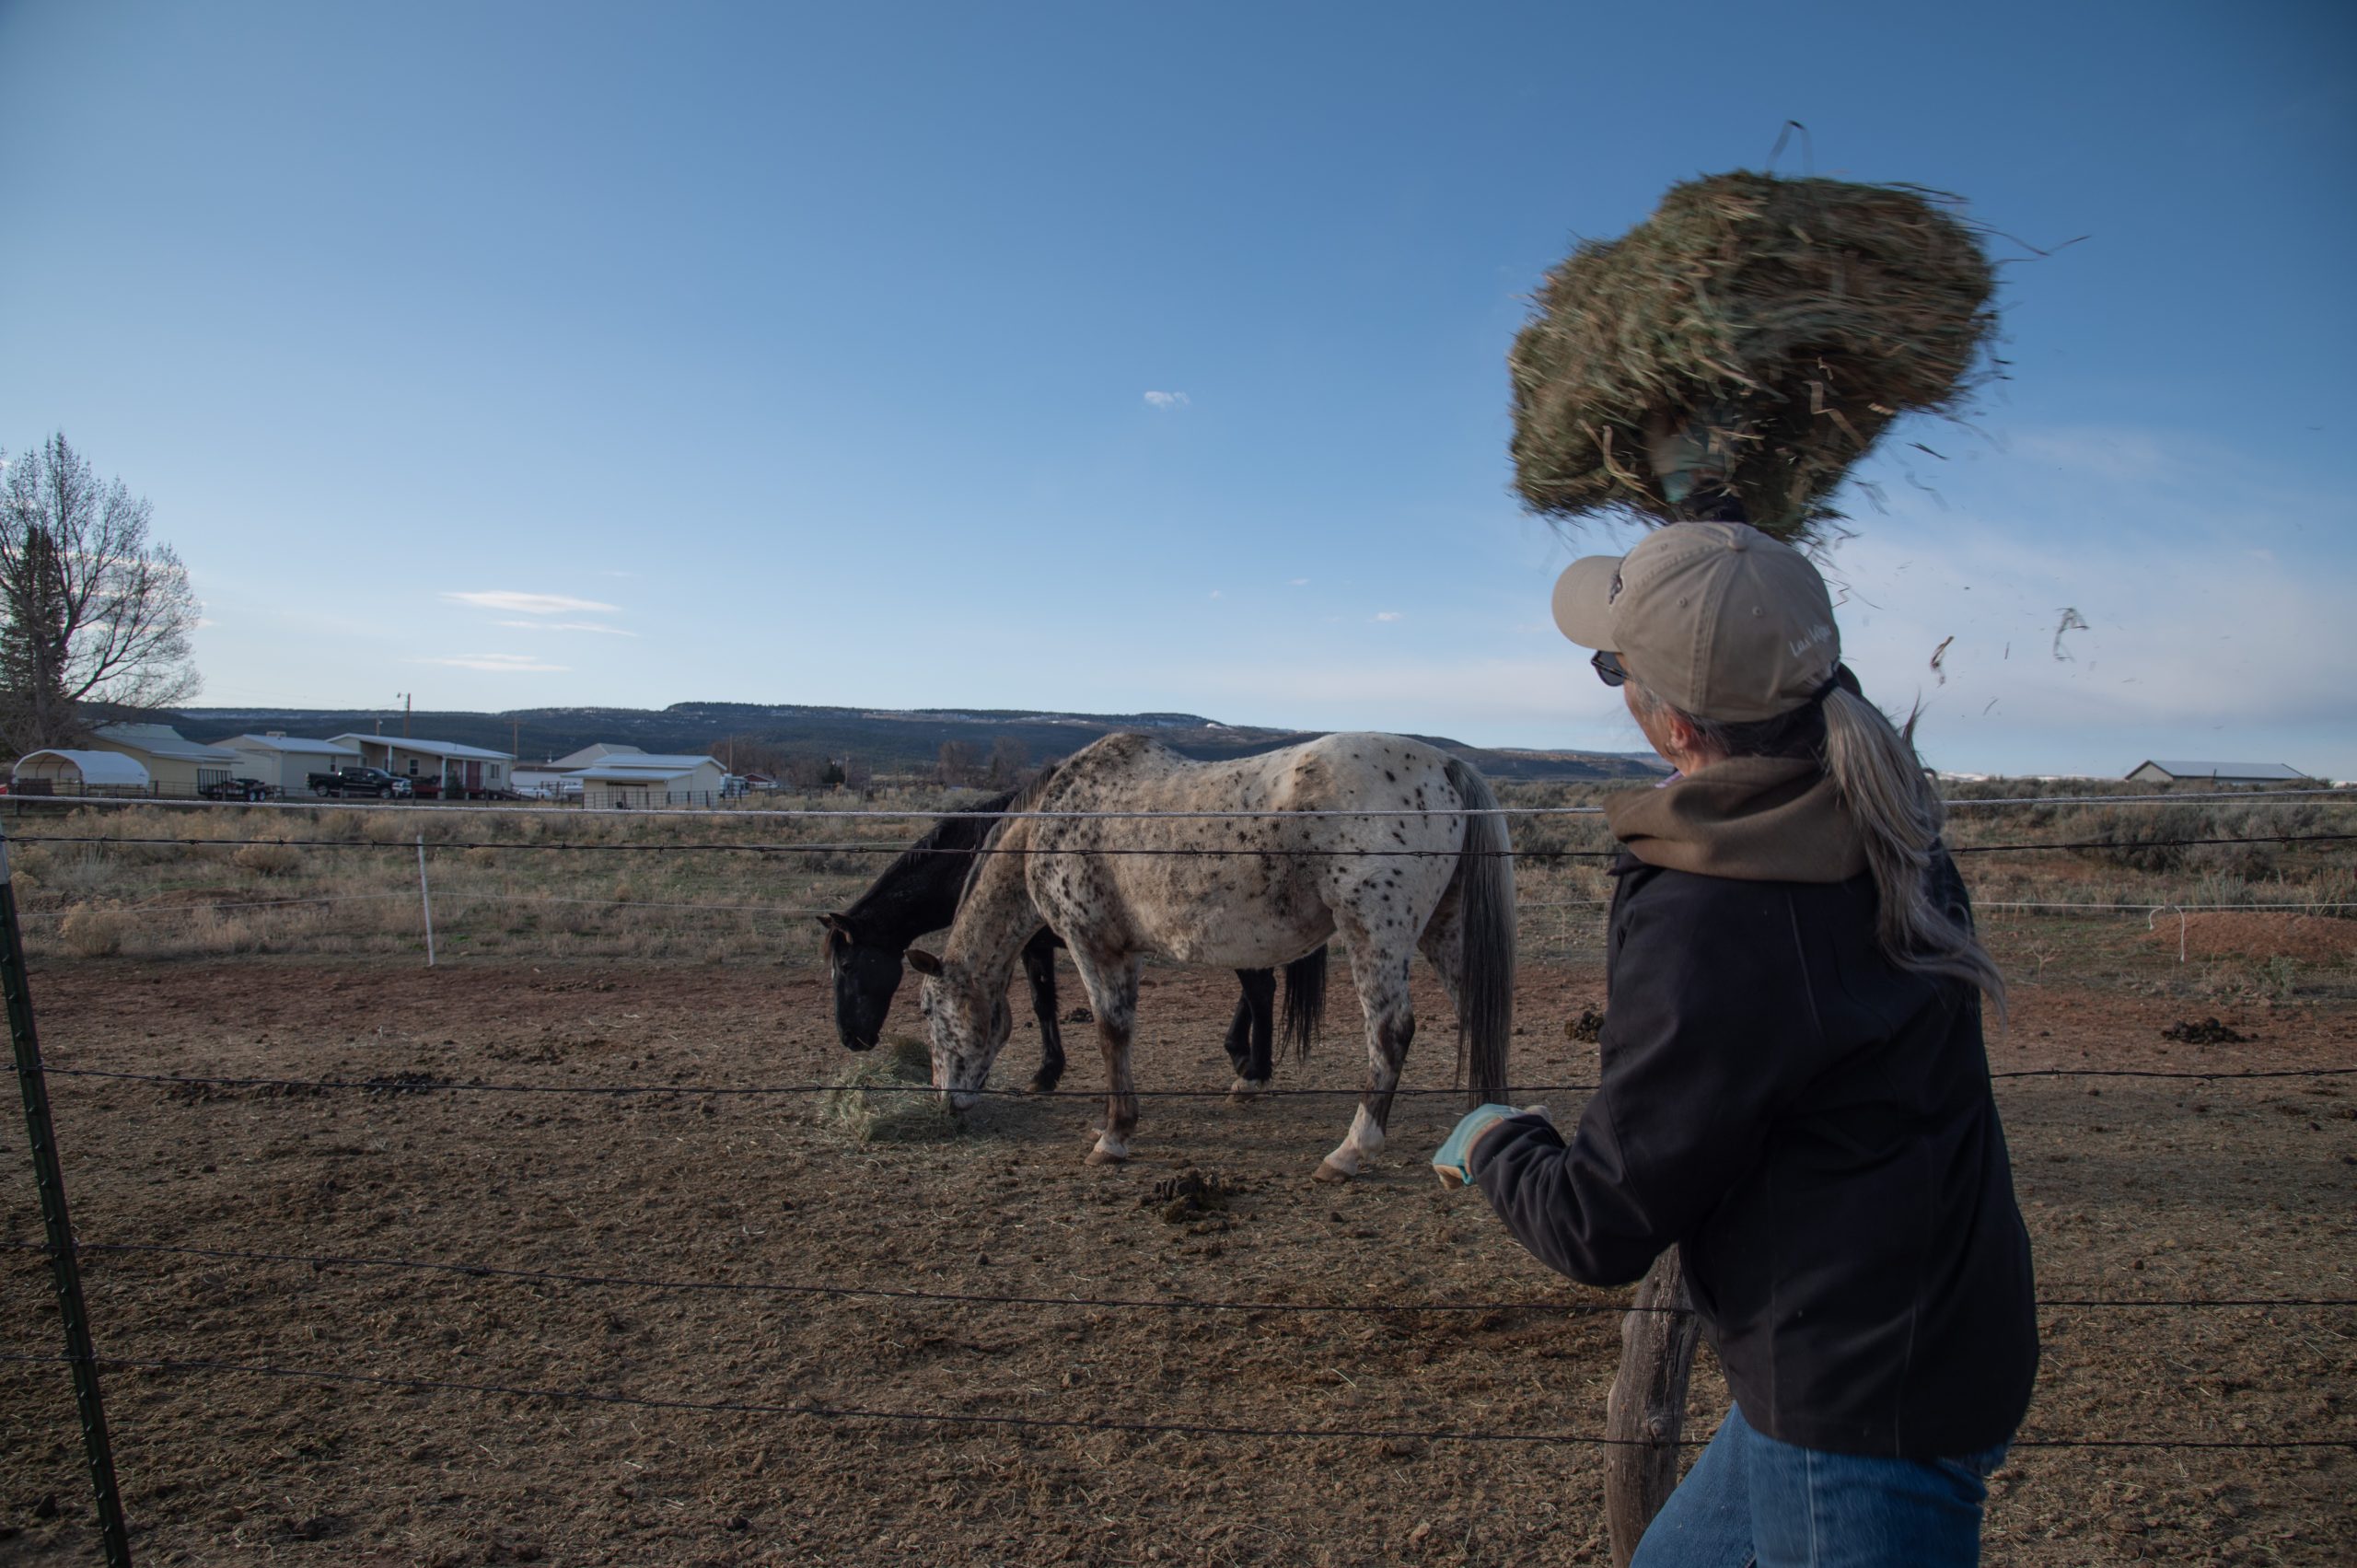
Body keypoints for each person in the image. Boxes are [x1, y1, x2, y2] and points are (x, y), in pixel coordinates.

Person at [1437, 521, 2038, 1567]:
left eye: (1612, 665)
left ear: (1667, 721)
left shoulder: (1716, 911)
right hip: (1910, 1337)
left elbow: (1601, 1222)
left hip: (1857, 1412)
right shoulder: (1888, 816)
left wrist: (1495, 1141)